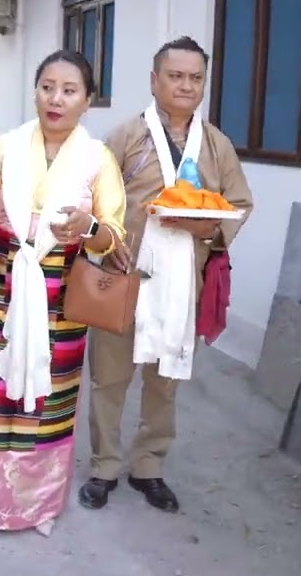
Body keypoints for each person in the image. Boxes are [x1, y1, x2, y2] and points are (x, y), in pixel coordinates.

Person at [79, 36, 254, 514]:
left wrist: (207, 228)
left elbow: (239, 204)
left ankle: (149, 466)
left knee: (165, 380)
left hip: (183, 285)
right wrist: (106, 244)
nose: (185, 85)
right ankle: (104, 466)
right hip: (125, 278)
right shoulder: (126, 137)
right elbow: (92, 195)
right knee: (109, 380)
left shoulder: (216, 145)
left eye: (195, 78)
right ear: (155, 80)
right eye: (175, 76)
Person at [0, 50, 127, 535]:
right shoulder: (6, 148)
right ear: (35, 91)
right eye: (47, 87)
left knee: (50, 400)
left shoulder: (97, 160)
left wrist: (90, 226)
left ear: (88, 100)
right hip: (1, 289)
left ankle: (38, 504)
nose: (56, 99)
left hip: (62, 300)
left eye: (69, 90)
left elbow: (114, 237)